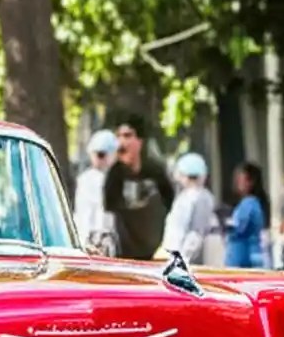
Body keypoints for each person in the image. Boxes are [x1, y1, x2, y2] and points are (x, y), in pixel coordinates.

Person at [103, 113, 174, 260]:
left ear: (140, 141)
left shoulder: (155, 172)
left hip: (153, 252)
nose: (122, 141)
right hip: (123, 254)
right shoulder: (115, 175)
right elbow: (108, 210)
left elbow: (169, 202)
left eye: (128, 136)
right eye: (119, 136)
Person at [160, 152, 218, 264]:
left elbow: (196, 234)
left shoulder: (197, 198)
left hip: (184, 260)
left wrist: (181, 260)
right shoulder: (190, 197)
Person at [73, 129, 119, 255]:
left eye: (103, 154)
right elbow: (83, 214)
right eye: (98, 154)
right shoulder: (86, 179)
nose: (100, 159)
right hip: (90, 239)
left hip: (109, 239)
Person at [225, 162, 267, 268]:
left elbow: (239, 227)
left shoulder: (248, 203)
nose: (238, 183)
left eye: (242, 179)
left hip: (242, 256)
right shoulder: (255, 203)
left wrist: (226, 224)